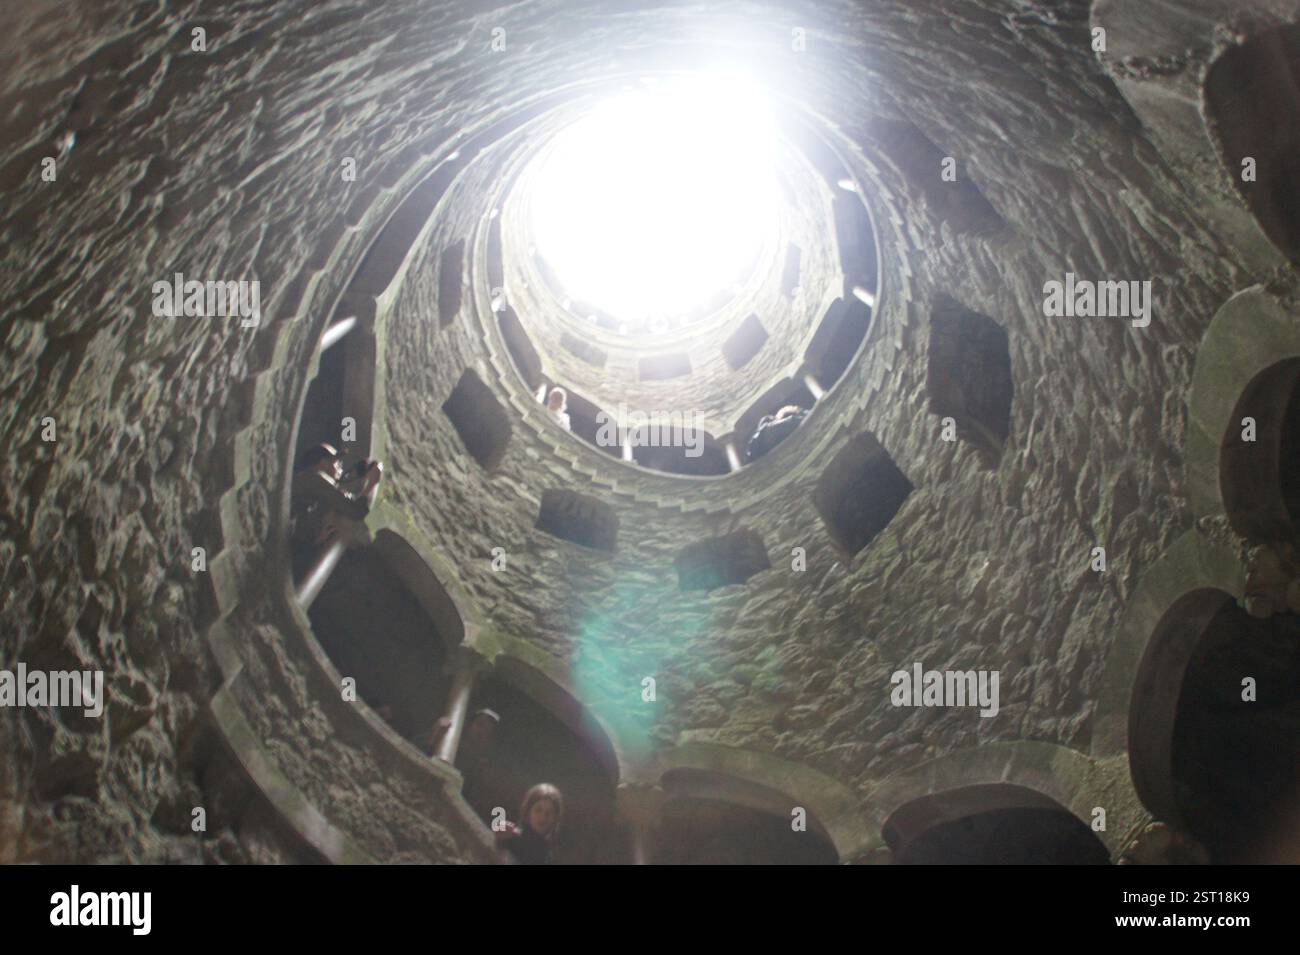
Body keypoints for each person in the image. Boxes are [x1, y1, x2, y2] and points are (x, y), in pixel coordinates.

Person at [495, 783, 564, 865]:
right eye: (538, 810)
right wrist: (500, 837)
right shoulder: (513, 837)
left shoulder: (549, 855)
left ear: (555, 818)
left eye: (549, 813)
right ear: (528, 811)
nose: (543, 817)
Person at [744, 404, 808, 463]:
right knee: (790, 421)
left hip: (757, 451)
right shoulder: (770, 427)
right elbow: (791, 419)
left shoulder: (773, 430)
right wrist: (802, 412)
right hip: (759, 444)